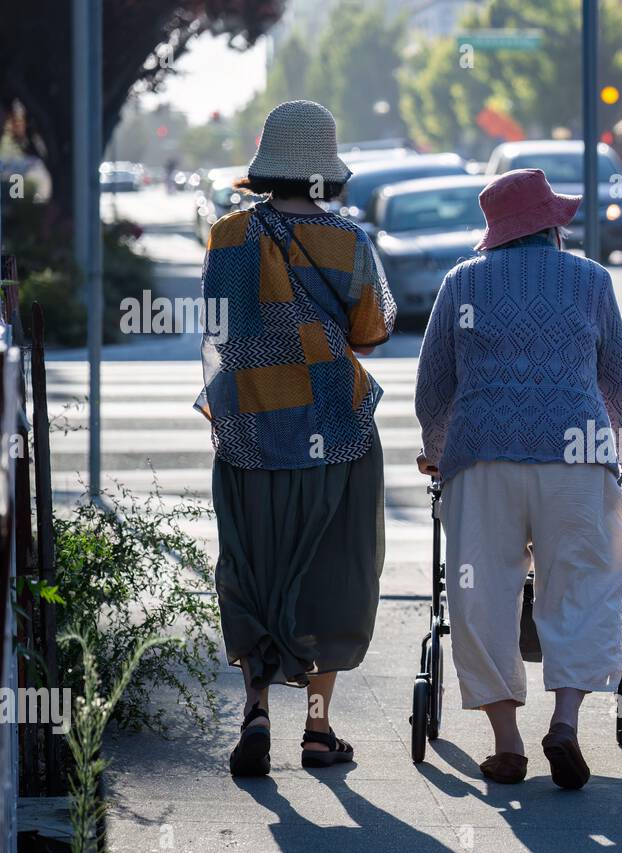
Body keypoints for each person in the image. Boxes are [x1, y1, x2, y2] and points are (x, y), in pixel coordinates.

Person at [415, 168, 622, 790]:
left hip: (483, 457)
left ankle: (506, 744)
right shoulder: (590, 281)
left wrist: (437, 451)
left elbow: (435, 383)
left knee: (482, 593)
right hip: (575, 456)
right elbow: (618, 378)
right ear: (552, 227)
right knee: (583, 583)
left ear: (496, 233)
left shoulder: (461, 281)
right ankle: (567, 724)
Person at [194, 100, 396, 777]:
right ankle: (317, 729)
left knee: (251, 568)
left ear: (266, 166)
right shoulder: (349, 241)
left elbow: (219, 329)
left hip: (250, 427)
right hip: (333, 427)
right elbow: (371, 329)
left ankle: (253, 712)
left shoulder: (225, 236)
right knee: (334, 571)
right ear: (325, 171)